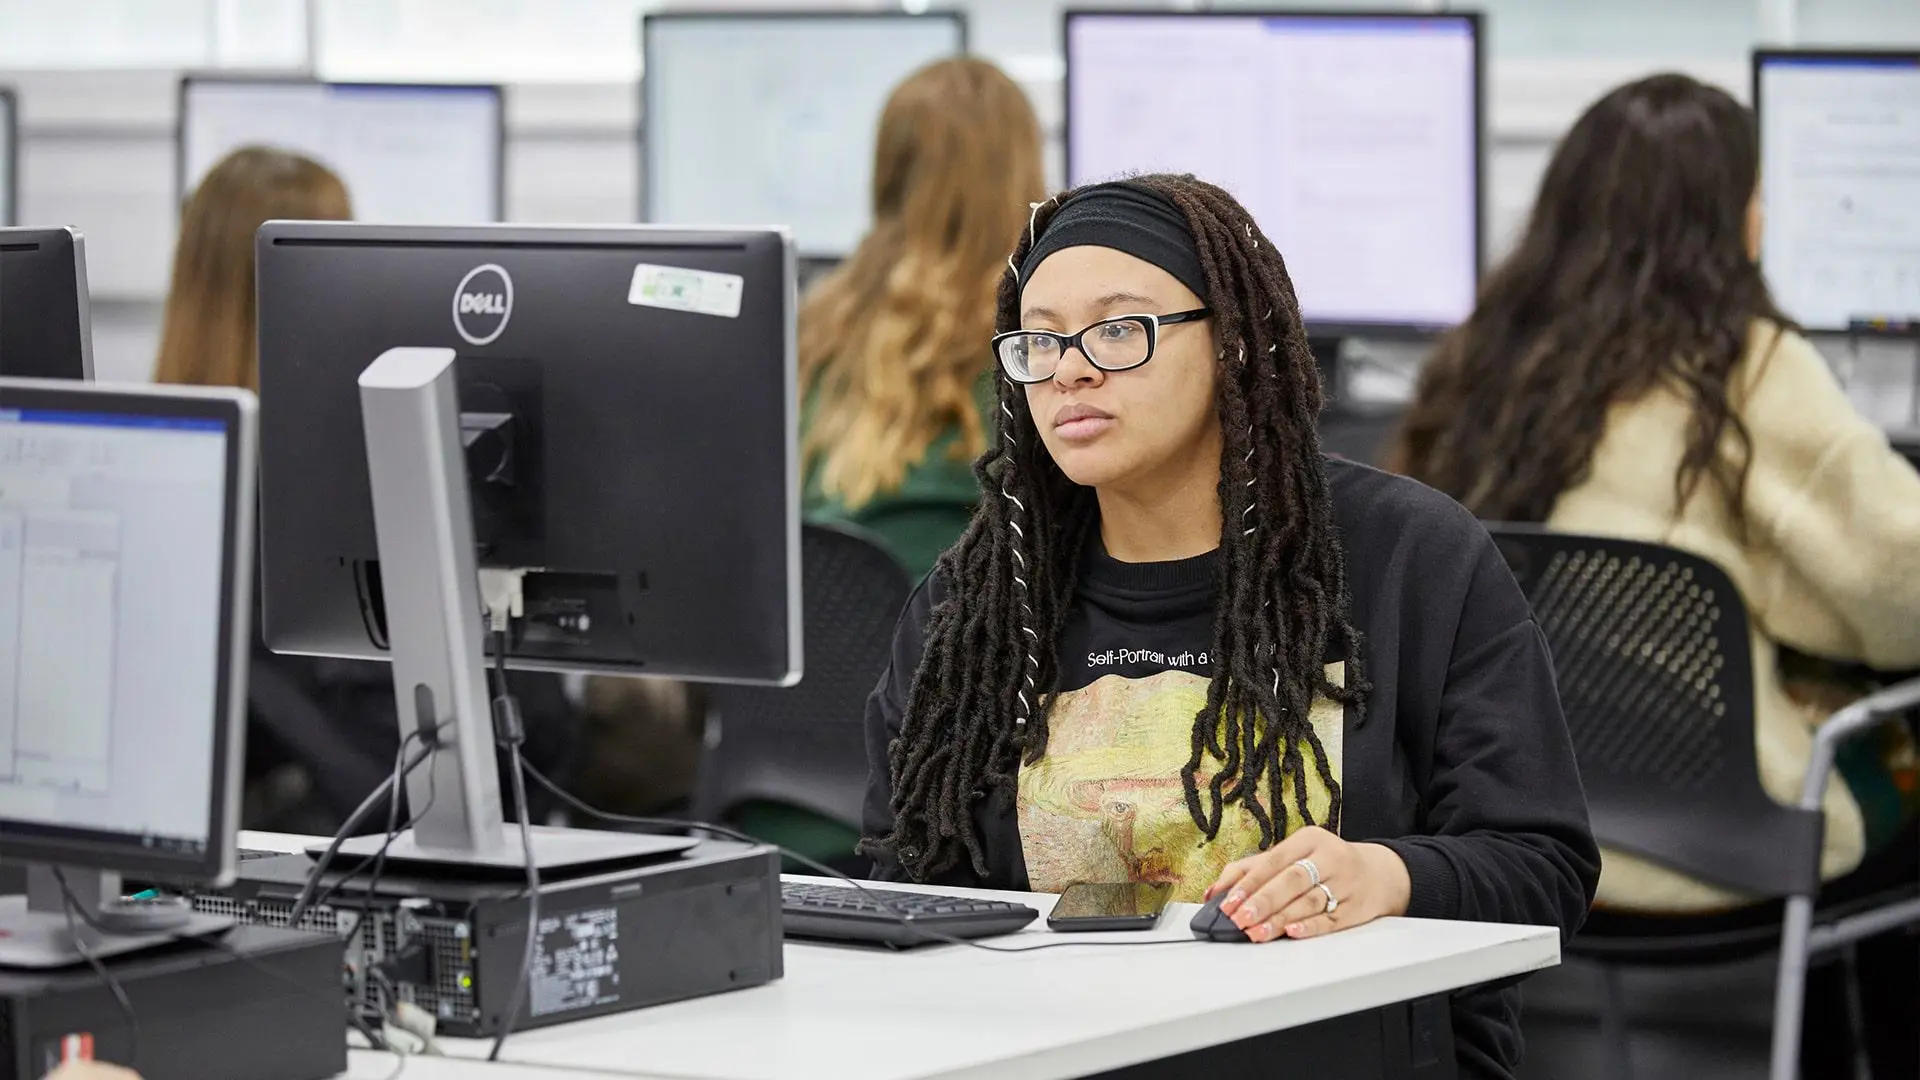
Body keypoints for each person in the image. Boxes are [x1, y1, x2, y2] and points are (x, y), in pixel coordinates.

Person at [859, 174, 1599, 1078]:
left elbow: (1541, 866)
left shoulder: (1411, 557)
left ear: (1235, 343)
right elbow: (904, 883)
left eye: (1119, 329)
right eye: (1040, 339)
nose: (1070, 369)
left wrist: (1387, 876)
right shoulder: (978, 603)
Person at [1388, 74, 1920, 1076]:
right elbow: (1900, 590)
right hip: (1718, 845)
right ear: (1731, 218)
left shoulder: (1484, 363)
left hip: (1508, 834)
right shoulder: (1745, 368)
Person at [155, 147, 576, 831]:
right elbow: (537, 729)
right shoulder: (387, 461)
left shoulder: (156, 472)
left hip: (258, 837)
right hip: (395, 828)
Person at [798, 56, 1047, 581]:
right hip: (982, 626)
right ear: (1024, 169)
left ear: (888, 173)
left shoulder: (813, 327)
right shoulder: (1039, 330)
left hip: (831, 625)